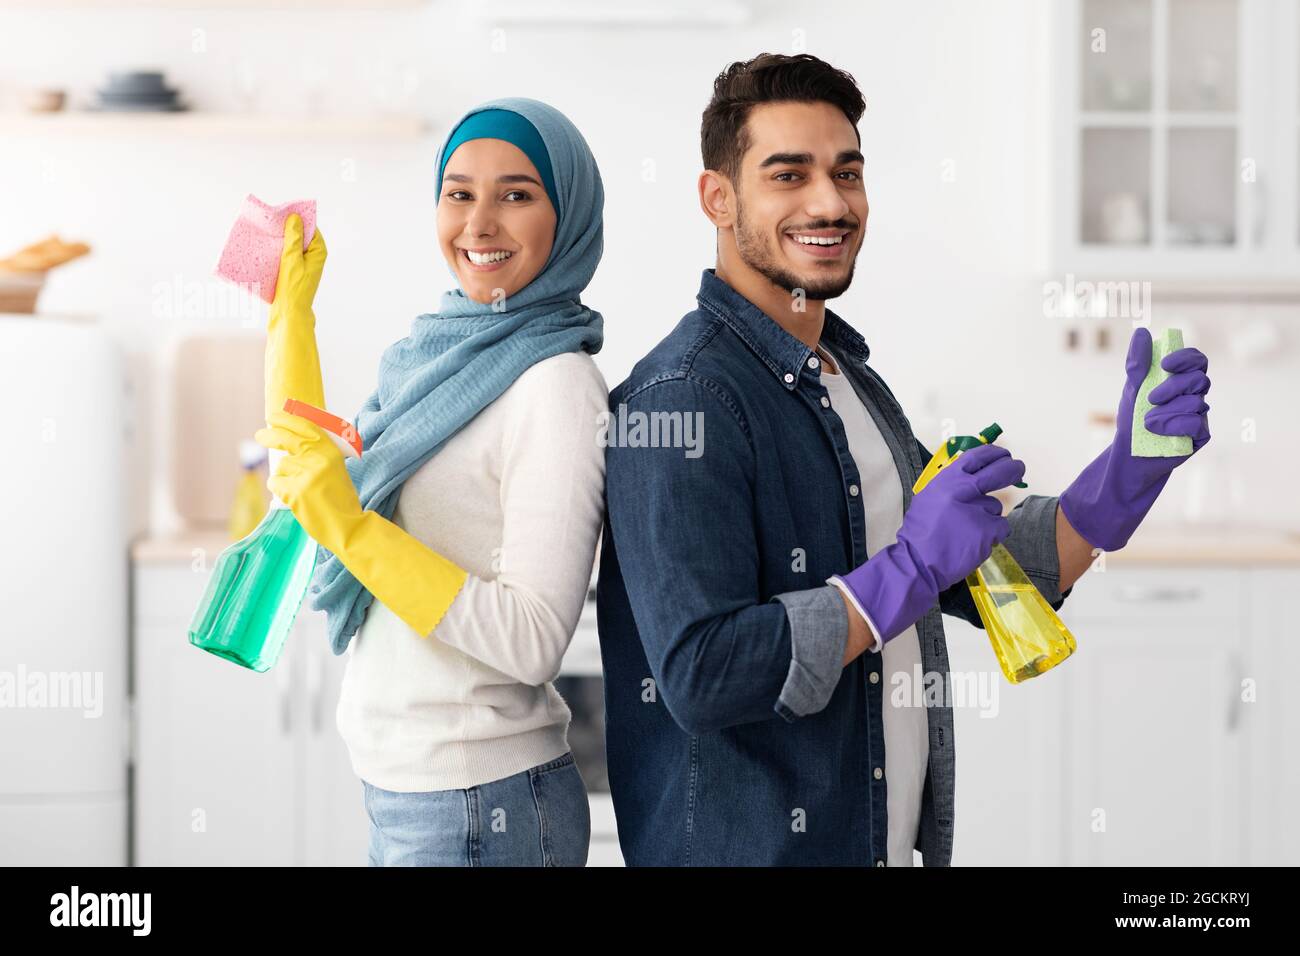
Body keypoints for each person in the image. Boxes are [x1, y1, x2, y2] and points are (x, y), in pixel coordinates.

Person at [595, 53, 1212, 866]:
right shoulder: (682, 400)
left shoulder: (849, 381)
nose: (830, 202)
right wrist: (909, 568)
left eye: (846, 173)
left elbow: (985, 574)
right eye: (789, 174)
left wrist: (1124, 478)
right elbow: (705, 675)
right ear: (718, 198)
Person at [256, 97, 608, 866]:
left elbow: (531, 641)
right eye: (460, 193)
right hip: (407, 793)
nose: (480, 223)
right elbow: (315, 471)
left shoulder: (555, 384)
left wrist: (353, 529)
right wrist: (292, 319)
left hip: (484, 807)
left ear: (569, 214)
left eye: (516, 194)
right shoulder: (435, 357)